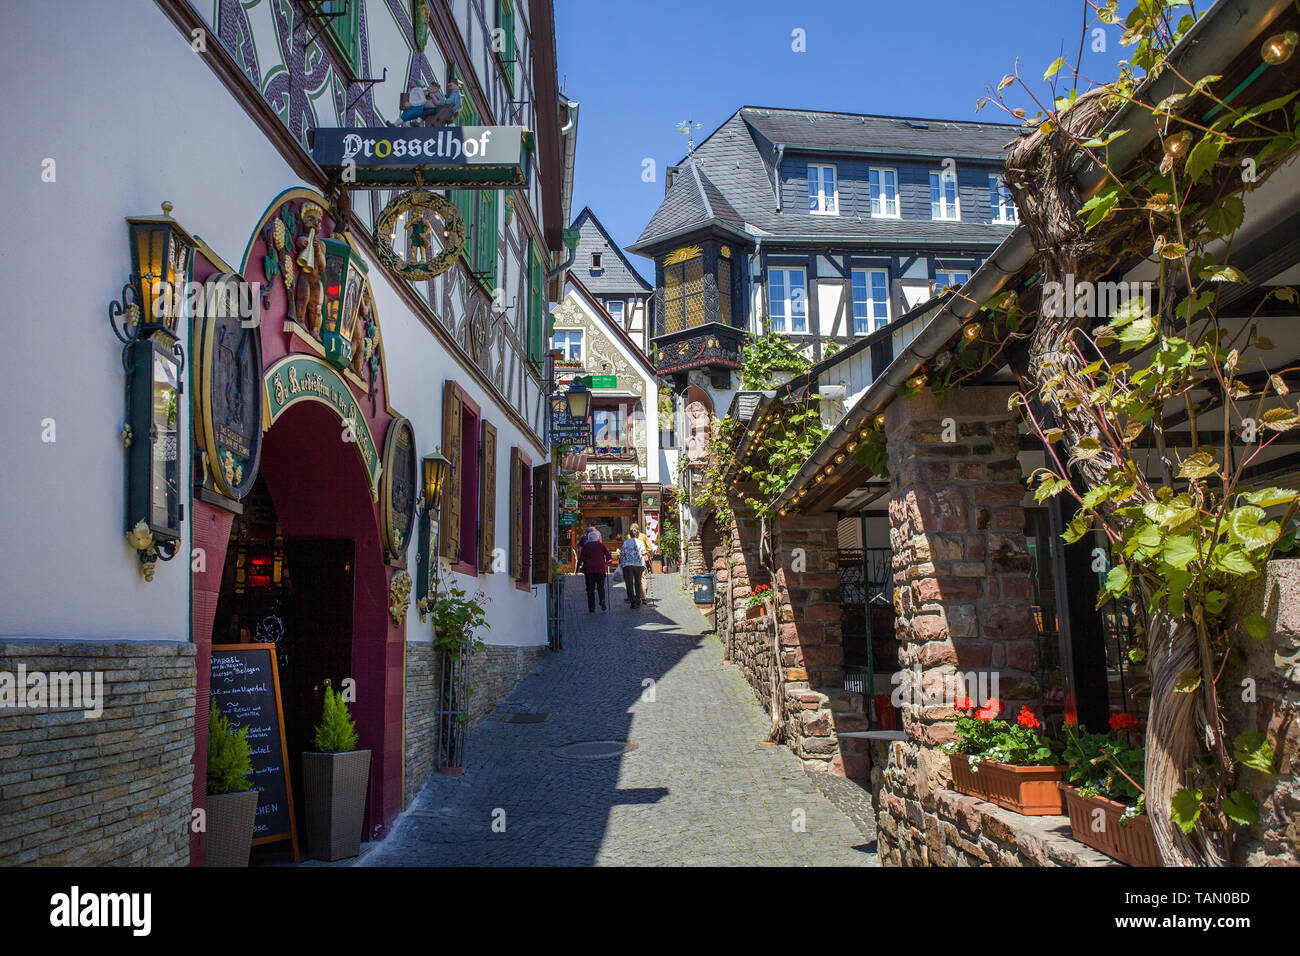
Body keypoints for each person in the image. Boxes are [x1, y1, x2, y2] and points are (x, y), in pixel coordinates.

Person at [576, 528, 611, 613]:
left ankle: (592, 607)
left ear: (589, 538)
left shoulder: (586, 546)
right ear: (597, 538)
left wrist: (578, 568)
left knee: (590, 589)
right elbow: (609, 556)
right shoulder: (601, 545)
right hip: (600, 569)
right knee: (600, 587)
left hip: (589, 569)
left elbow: (581, 558)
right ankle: (602, 600)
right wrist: (606, 562)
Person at [619, 530, 647, 609]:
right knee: (638, 582)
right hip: (638, 564)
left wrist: (620, 562)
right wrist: (647, 561)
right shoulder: (640, 542)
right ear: (637, 535)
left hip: (628, 564)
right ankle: (638, 599)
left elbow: (622, 553)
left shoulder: (626, 543)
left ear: (630, 535)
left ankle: (632, 601)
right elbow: (644, 553)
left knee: (629, 583)